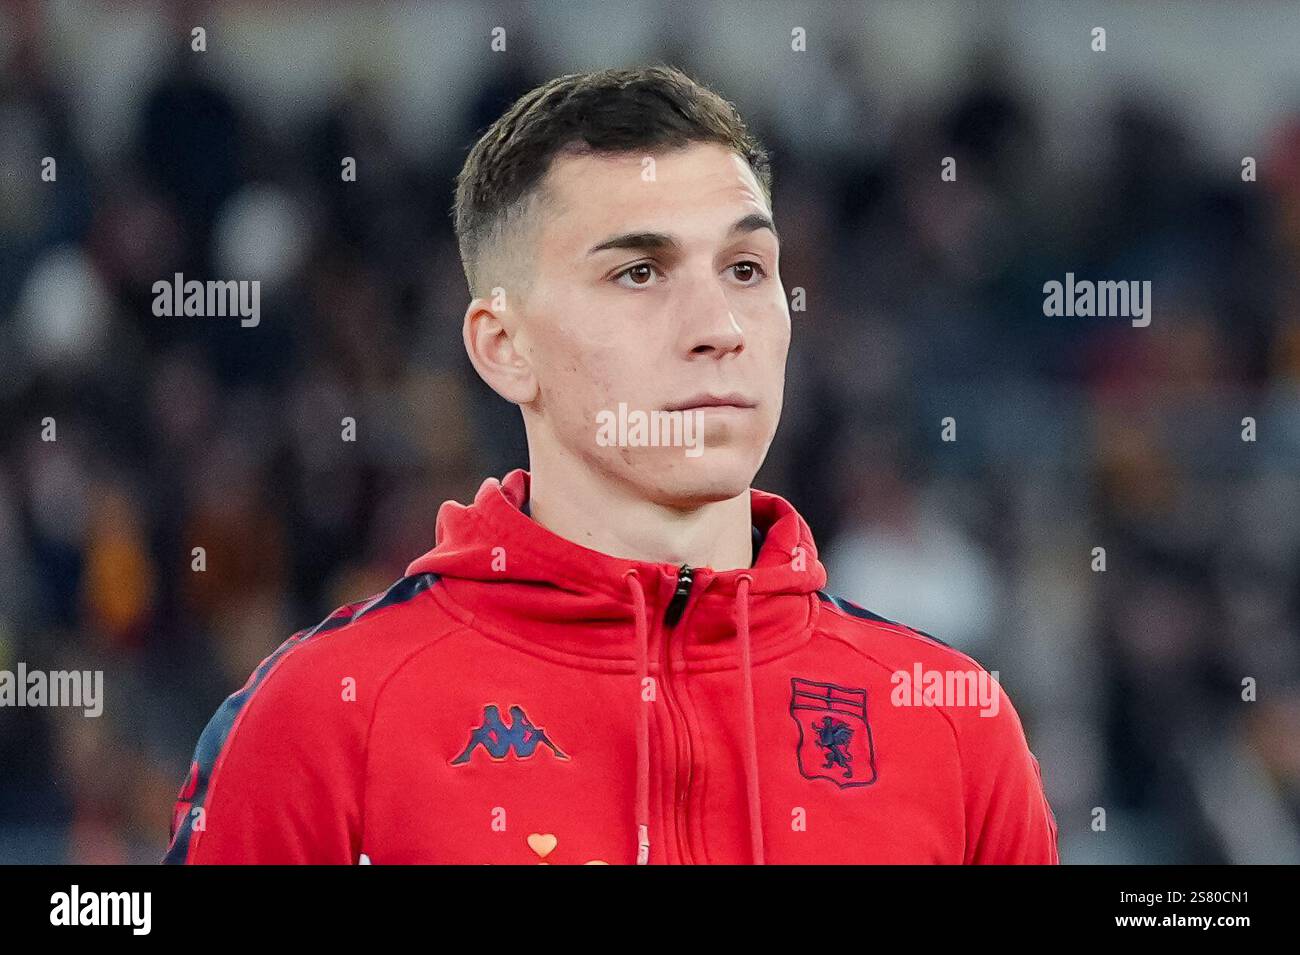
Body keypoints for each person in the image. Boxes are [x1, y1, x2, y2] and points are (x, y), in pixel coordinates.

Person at [164, 65, 1058, 864]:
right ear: (504, 345)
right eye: (639, 273)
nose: (719, 326)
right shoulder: (322, 723)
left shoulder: (951, 725)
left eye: (747, 268)